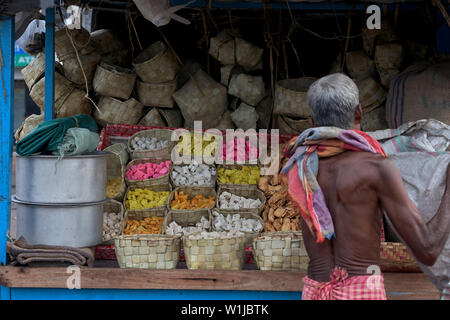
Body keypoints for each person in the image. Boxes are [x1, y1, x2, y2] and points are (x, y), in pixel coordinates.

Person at [281, 73, 450, 300]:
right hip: (360, 293)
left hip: (314, 291)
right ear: (359, 112)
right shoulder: (376, 168)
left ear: (312, 123)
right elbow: (428, 251)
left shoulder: (299, 169)